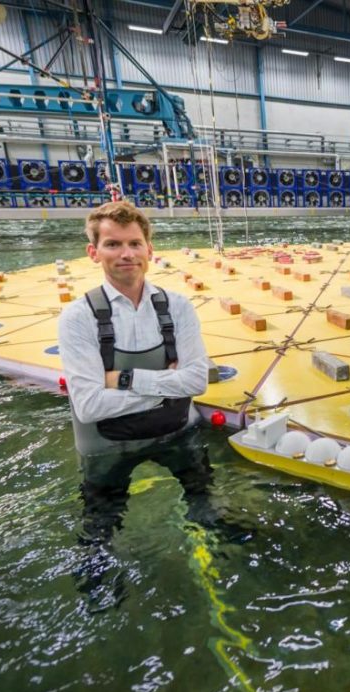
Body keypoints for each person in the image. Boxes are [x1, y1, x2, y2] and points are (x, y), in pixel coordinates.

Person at [58, 201, 223, 606]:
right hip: (105, 443)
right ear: (93, 252)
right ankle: (97, 573)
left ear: (150, 248)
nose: (126, 254)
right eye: (113, 244)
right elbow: (90, 406)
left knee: (203, 494)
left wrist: (123, 379)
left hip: (175, 430)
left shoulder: (177, 306)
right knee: (101, 522)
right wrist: (170, 382)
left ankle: (220, 536)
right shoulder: (78, 318)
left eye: (135, 243)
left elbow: (197, 380)